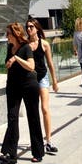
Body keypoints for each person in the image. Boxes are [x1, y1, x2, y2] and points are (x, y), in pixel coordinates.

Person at [0, 22, 44, 164]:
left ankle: (38, 152)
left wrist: (16, 58)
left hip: (29, 85)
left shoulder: (26, 47)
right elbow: (7, 64)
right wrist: (9, 63)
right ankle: (12, 155)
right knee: (12, 118)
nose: (6, 36)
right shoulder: (9, 47)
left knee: (33, 117)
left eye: (8, 34)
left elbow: (31, 66)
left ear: (16, 34)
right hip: (13, 85)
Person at [25, 18, 58, 155]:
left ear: (37, 28)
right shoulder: (25, 44)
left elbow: (50, 63)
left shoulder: (44, 44)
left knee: (44, 108)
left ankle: (48, 141)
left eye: (31, 27)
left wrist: (55, 80)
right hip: (30, 79)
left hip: (42, 78)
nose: (28, 29)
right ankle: (37, 140)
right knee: (33, 111)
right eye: (27, 27)